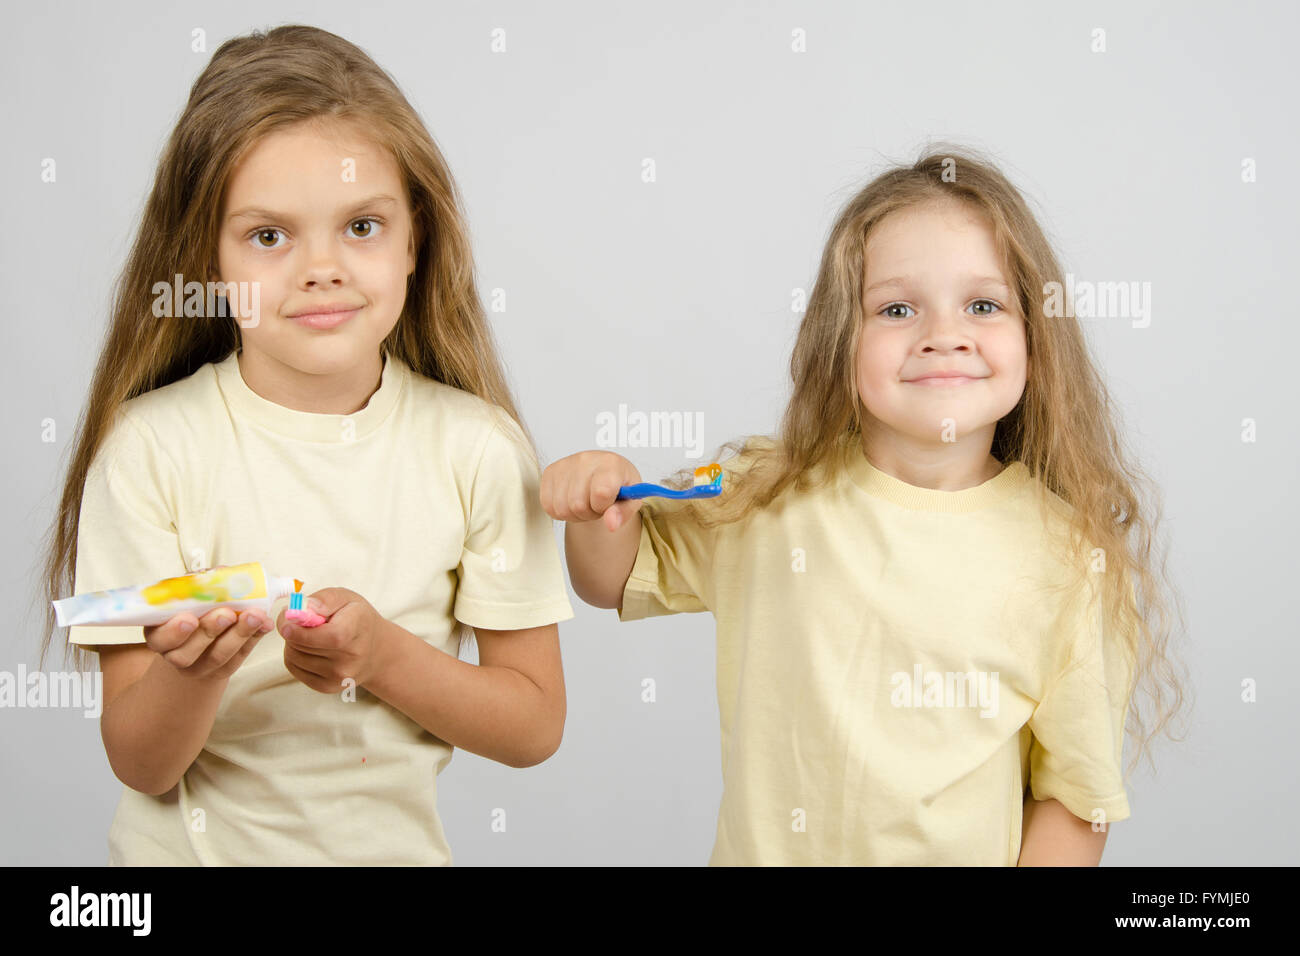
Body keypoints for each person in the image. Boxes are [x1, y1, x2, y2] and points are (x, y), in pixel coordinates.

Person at [543, 146, 1189, 865]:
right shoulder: (768, 494)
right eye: (896, 308)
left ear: (1037, 336)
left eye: (983, 304)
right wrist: (598, 506)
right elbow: (611, 579)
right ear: (839, 341)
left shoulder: (1070, 558)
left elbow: (1076, 799)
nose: (944, 333)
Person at [38, 25, 572, 866]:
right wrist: (195, 673)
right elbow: (141, 762)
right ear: (206, 258)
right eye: (269, 236)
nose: (321, 268)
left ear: (415, 238)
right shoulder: (152, 451)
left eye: (361, 226)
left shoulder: (478, 450)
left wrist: (384, 655)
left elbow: (533, 725)